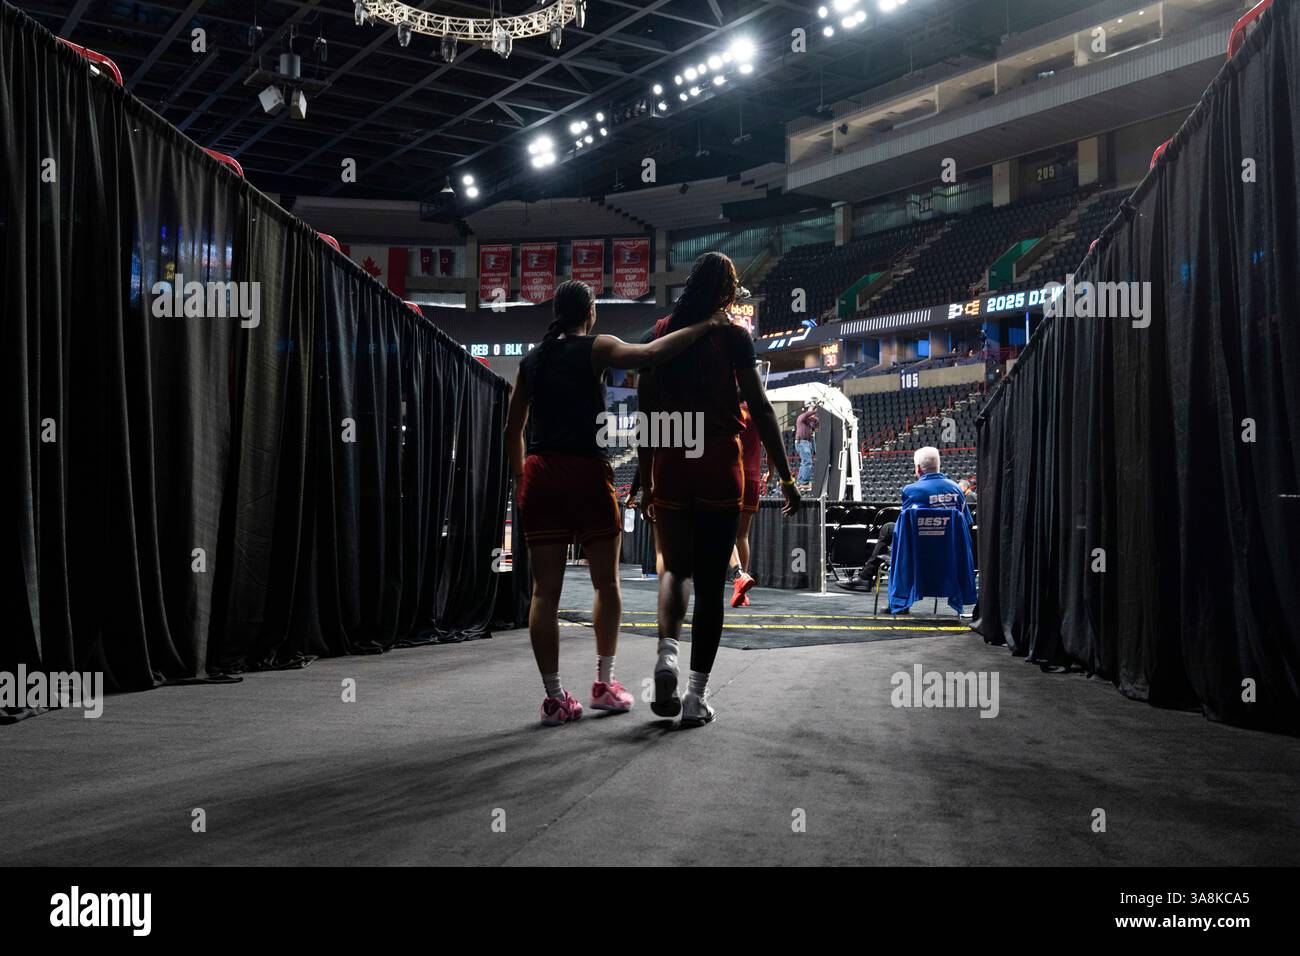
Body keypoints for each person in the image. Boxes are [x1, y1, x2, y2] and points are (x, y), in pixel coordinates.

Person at [504, 280, 730, 727]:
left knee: (543, 592)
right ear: (589, 311)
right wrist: (704, 326)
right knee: (605, 584)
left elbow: (513, 431)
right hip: (586, 472)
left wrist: (520, 479)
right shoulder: (597, 346)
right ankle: (604, 684)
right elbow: (650, 356)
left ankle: (554, 699)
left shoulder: (532, 360)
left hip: (541, 472)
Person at [639, 252, 799, 726]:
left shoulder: (662, 330)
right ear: (726, 291)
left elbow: (647, 410)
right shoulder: (732, 336)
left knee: (675, 570)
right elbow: (762, 408)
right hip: (717, 460)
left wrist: (645, 479)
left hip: (671, 455)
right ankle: (695, 698)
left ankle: (666, 655)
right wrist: (786, 477)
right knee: (711, 583)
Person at [837, 446, 971, 593]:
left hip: (921, 551)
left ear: (918, 468)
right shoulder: (957, 489)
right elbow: (967, 523)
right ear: (938, 466)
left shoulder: (912, 490)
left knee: (889, 528)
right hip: (951, 553)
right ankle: (865, 577)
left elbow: (905, 528)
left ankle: (866, 578)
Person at [794, 401, 820, 491]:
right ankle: (804, 481)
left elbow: (816, 424)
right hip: (802, 442)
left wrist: (814, 418)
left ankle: (800, 481)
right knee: (807, 462)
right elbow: (808, 414)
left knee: (804, 463)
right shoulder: (801, 417)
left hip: (805, 443)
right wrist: (814, 409)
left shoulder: (809, 422)